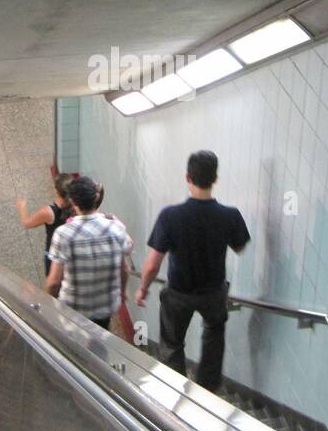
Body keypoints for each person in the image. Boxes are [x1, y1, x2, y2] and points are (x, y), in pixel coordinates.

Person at [133, 150, 249, 390]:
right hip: (214, 292)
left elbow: (153, 263)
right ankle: (207, 393)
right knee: (213, 338)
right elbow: (240, 247)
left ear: (188, 177)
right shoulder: (230, 215)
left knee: (172, 344)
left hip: (178, 293)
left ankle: (175, 393)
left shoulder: (170, 216)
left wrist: (143, 288)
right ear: (215, 179)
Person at [46, 175, 132, 330]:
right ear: (97, 197)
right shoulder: (116, 228)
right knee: (101, 336)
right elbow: (124, 268)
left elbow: (53, 282)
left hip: (73, 309)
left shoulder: (63, 233)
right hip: (105, 307)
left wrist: (50, 303)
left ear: (72, 201)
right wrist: (123, 293)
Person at [16, 173, 73, 276]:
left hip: (54, 253)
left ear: (56, 190)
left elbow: (27, 224)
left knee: (53, 281)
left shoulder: (49, 212)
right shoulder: (77, 206)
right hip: (71, 251)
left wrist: (22, 208)